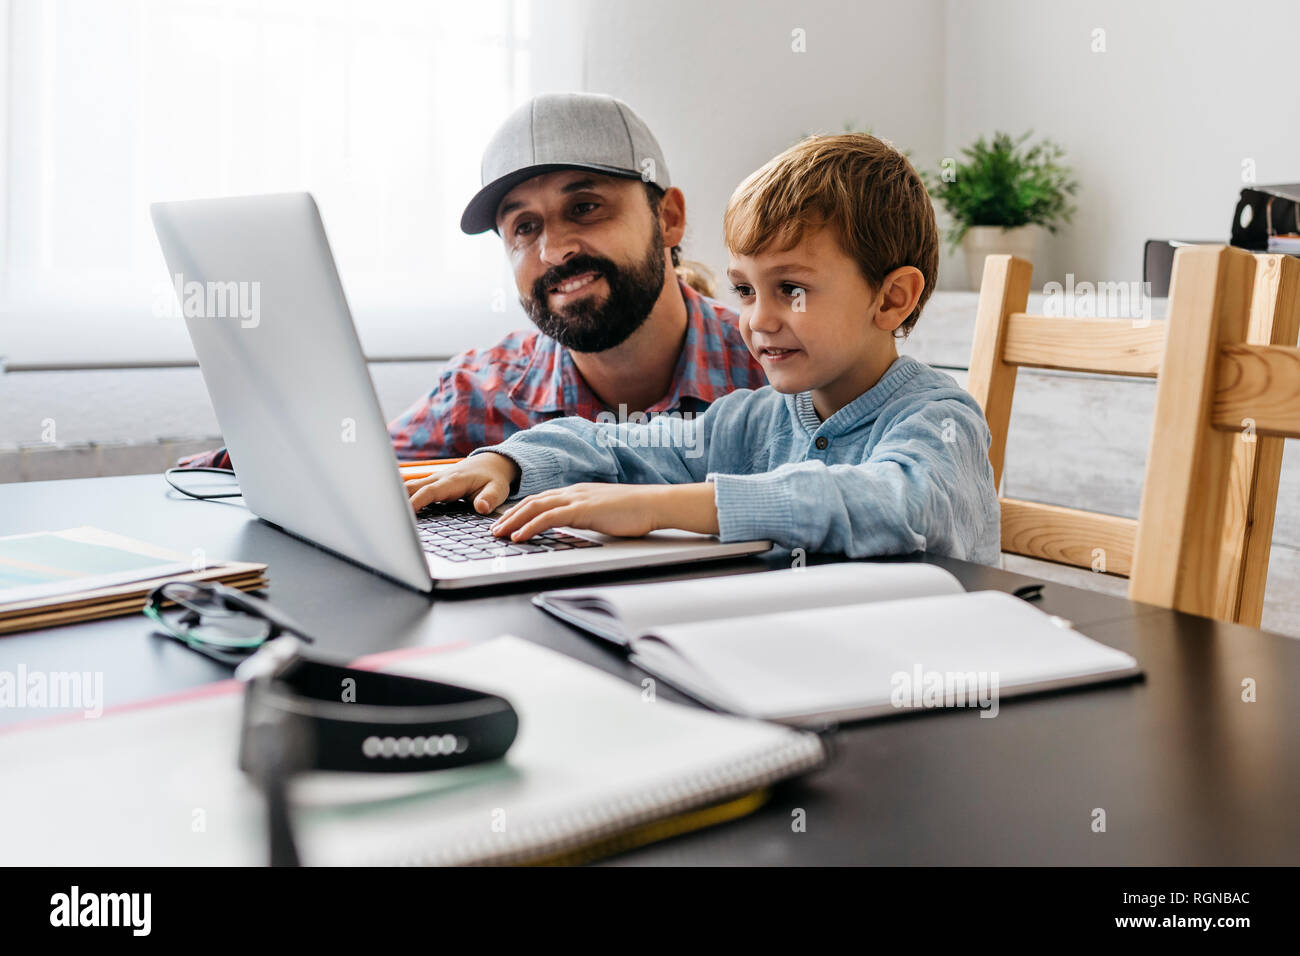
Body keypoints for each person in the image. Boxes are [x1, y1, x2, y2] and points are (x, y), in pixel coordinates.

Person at [404, 133, 1001, 564]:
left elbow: (896, 504)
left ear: (892, 299)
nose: (758, 319)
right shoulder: (753, 418)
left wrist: (669, 506)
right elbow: (620, 442)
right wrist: (511, 461)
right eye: (746, 290)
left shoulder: (941, 419)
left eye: (791, 289)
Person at [176, 93, 765, 470]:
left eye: (585, 207)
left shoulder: (776, 364)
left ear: (668, 218)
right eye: (524, 227)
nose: (554, 251)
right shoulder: (479, 394)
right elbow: (354, 476)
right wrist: (241, 458)